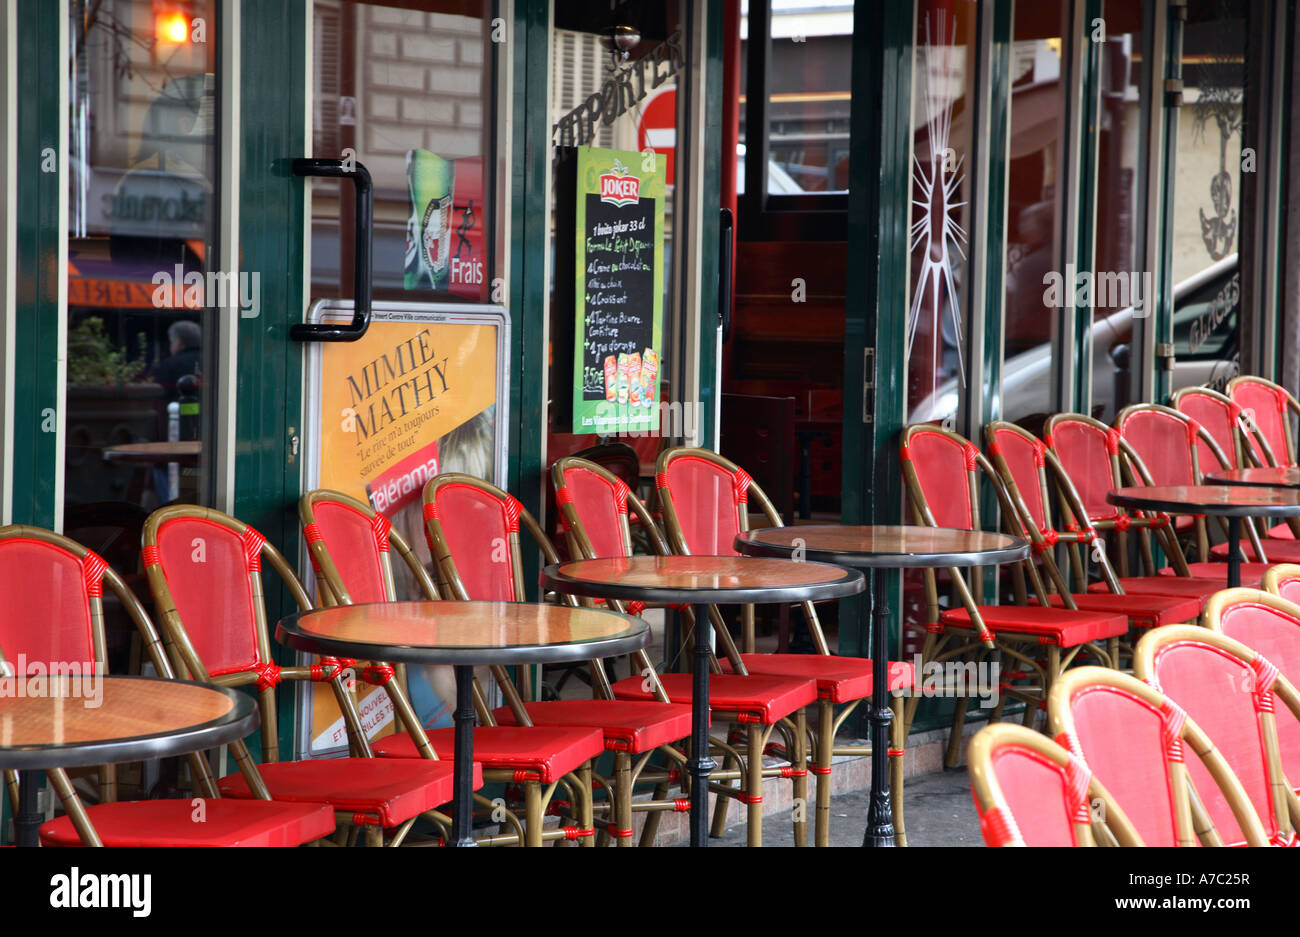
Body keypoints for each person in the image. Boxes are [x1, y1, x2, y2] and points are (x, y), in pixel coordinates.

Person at [154, 320, 201, 396]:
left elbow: (161, 393)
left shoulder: (169, 364)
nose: (170, 346)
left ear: (179, 342)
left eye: (172, 341)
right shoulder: (212, 360)